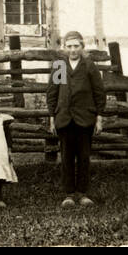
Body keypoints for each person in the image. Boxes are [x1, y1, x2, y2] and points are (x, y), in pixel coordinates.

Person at [46, 30, 106, 207]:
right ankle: (69, 194)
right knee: (66, 158)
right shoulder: (60, 66)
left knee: (84, 157)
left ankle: (83, 193)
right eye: (69, 46)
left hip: (84, 119)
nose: (72, 50)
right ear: (64, 47)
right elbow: (52, 92)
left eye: (76, 46)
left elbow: (99, 92)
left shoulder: (89, 66)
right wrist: (52, 117)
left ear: (82, 47)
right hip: (64, 119)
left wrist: (99, 117)